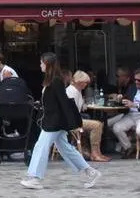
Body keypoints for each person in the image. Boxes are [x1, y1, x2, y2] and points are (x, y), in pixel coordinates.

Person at [20, 53, 100, 190]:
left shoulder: (56, 81)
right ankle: (90, 172)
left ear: (47, 63)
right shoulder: (52, 80)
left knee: (41, 146)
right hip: (53, 120)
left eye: (41, 62)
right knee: (65, 148)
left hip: (54, 122)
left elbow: (63, 102)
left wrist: (71, 123)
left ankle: (35, 177)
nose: (40, 65)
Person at [65, 71, 110, 162]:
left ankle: (97, 152)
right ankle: (95, 153)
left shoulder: (77, 91)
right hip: (72, 121)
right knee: (97, 125)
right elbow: (71, 111)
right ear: (79, 82)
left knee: (97, 123)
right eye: (85, 82)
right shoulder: (72, 91)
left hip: (74, 119)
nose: (86, 84)